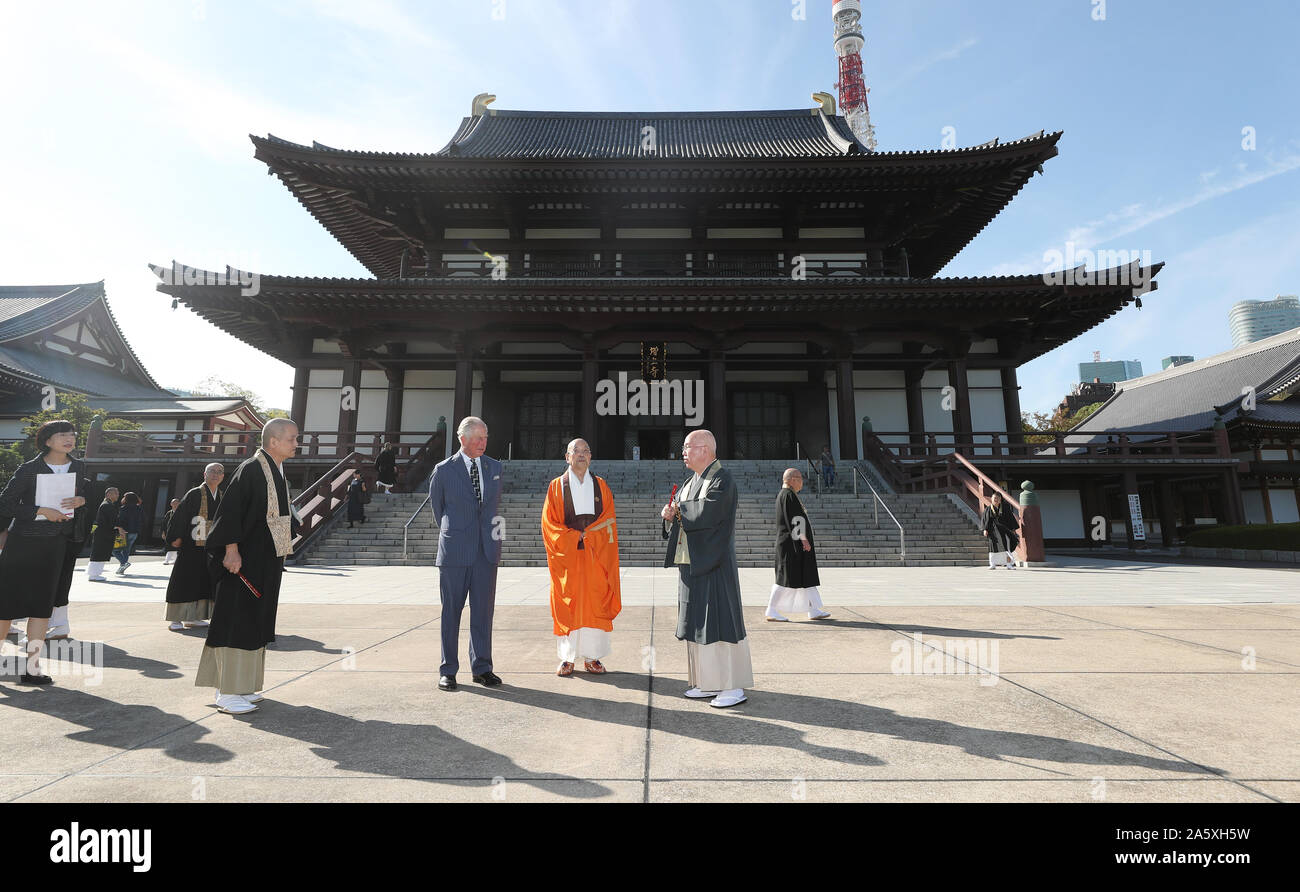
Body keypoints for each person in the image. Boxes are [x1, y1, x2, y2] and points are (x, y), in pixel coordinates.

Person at [195, 418, 300, 715]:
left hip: (265, 559)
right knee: (235, 620)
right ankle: (226, 691)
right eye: (291, 439)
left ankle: (241, 685)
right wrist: (230, 550)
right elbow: (231, 513)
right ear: (274, 441)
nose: (296, 444)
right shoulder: (252, 469)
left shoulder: (276, 470)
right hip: (242, 560)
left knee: (255, 620)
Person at [661, 429, 752, 708]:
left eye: (688, 447)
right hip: (691, 563)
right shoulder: (692, 481)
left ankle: (731, 686)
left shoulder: (722, 479)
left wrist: (678, 511)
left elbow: (709, 512)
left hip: (714, 563)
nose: (683, 452)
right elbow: (681, 513)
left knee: (719, 622)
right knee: (697, 624)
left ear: (706, 449)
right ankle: (706, 682)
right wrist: (669, 516)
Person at [0, 420, 89, 685]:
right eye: (62, 434)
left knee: (42, 606)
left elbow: (81, 496)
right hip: (23, 543)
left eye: (72, 434)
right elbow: (5, 503)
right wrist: (40, 510)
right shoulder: (29, 469)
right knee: (6, 605)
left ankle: (32, 668)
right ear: (47, 440)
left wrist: (81, 500)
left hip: (55, 543)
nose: (69, 438)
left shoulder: (78, 466)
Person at [429, 416, 502, 692]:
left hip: (486, 553)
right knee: (451, 613)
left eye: (485, 437)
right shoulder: (444, 470)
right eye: (477, 438)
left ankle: (482, 668)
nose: (483, 443)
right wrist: (457, 533)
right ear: (462, 439)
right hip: (455, 553)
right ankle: (448, 670)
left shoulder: (495, 467)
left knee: (483, 613)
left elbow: (493, 509)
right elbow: (438, 510)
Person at [542, 438, 621, 676]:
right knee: (569, 604)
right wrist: (574, 536)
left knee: (596, 602)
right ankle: (567, 658)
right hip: (568, 558)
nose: (581, 455)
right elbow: (549, 524)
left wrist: (590, 537)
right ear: (567, 457)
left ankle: (593, 658)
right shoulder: (556, 486)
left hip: (595, 556)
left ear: (591, 457)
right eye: (576, 451)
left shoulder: (601, 486)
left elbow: (608, 520)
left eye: (586, 451)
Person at [766, 467, 831, 622]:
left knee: (805, 576)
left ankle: (813, 609)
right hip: (790, 545)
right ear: (792, 479)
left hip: (792, 544)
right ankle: (771, 609)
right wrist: (804, 539)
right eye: (800, 478)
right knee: (785, 578)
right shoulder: (788, 495)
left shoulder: (787, 495)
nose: (802, 482)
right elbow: (796, 520)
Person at [165, 463, 224, 631]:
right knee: (184, 579)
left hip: (211, 546)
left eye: (219, 472)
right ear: (205, 474)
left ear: (223, 477)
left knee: (204, 581)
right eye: (212, 471)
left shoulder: (220, 495)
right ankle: (175, 618)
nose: (215, 474)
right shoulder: (194, 493)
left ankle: (195, 617)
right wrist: (175, 537)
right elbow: (180, 515)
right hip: (191, 544)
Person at [86, 487, 122, 582]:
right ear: (109, 494)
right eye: (116, 493)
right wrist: (117, 527)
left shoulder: (107, 504)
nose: (118, 495)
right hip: (104, 534)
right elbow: (111, 522)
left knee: (99, 553)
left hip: (103, 533)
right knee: (99, 554)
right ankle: (94, 575)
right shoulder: (107, 505)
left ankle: (94, 574)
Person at [981, 492, 1020, 570]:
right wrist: (985, 529)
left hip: (1004, 531)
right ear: (991, 499)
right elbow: (985, 520)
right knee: (993, 549)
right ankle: (992, 564)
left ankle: (1009, 564)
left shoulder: (1005, 508)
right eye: (994, 498)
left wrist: (1013, 529)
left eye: (997, 498)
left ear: (1000, 500)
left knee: (1006, 548)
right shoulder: (988, 509)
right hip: (993, 532)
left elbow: (1011, 519)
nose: (996, 500)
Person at [112, 491, 144, 575]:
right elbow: (142, 520)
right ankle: (122, 569)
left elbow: (120, 520)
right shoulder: (139, 508)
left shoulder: (123, 508)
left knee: (114, 550)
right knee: (126, 551)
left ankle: (123, 563)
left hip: (124, 532)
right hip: (135, 532)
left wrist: (118, 528)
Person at [162, 498, 181, 565]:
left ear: (179, 504)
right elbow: (164, 523)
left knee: (176, 547)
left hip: (178, 532)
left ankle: (171, 560)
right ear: (171, 504)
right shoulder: (169, 513)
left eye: (176, 503)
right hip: (169, 532)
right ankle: (169, 560)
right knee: (169, 546)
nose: (175, 504)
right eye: (173, 503)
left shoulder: (181, 513)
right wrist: (163, 532)